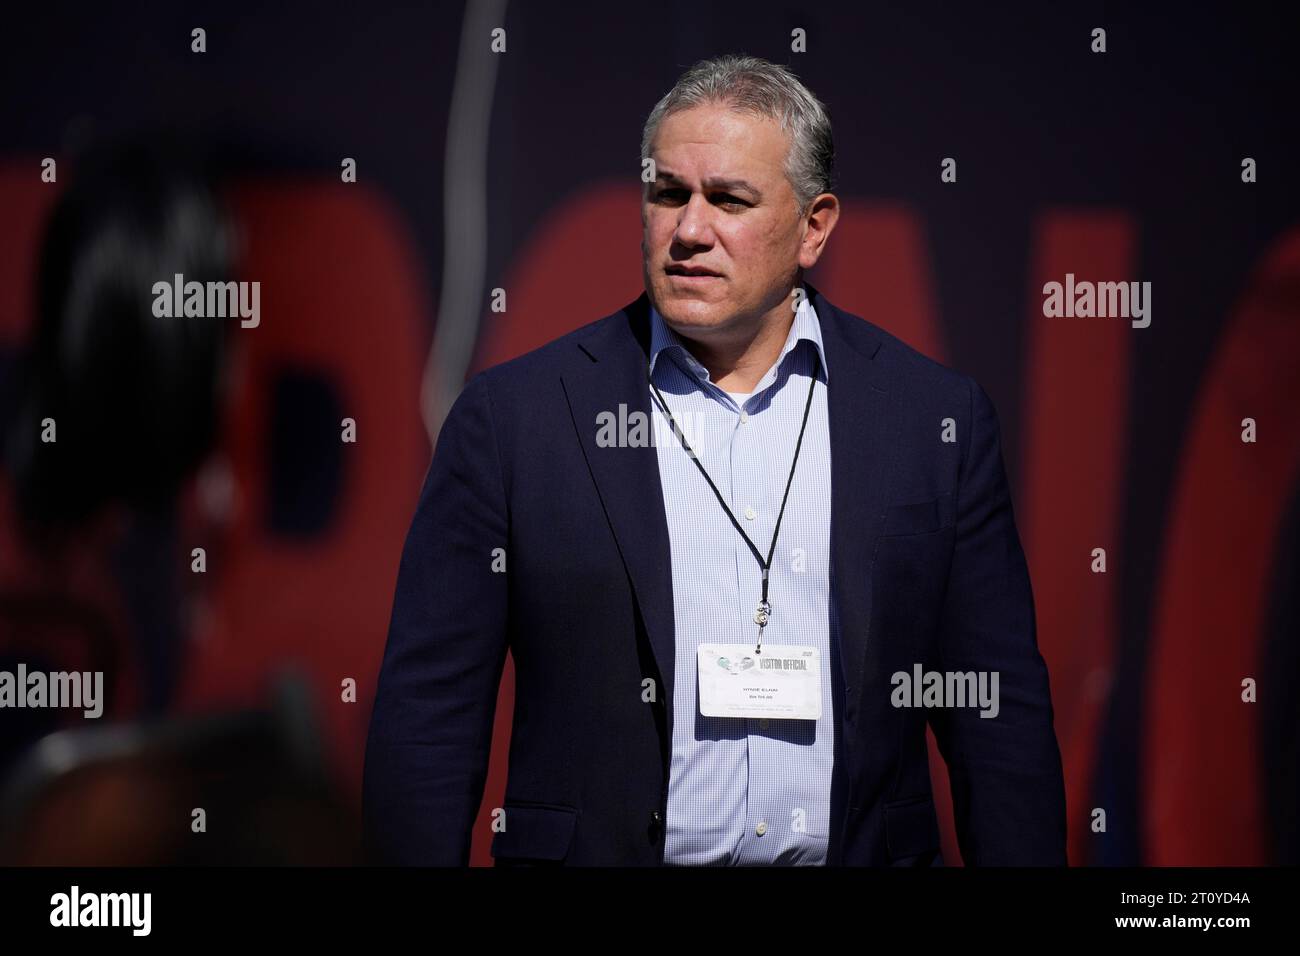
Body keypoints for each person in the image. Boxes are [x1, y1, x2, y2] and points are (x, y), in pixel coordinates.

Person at [363, 54, 1066, 866]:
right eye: (668, 194)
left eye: (729, 199)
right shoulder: (514, 419)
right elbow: (429, 717)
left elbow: (998, 721)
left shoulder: (932, 420)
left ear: (815, 226)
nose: (689, 230)